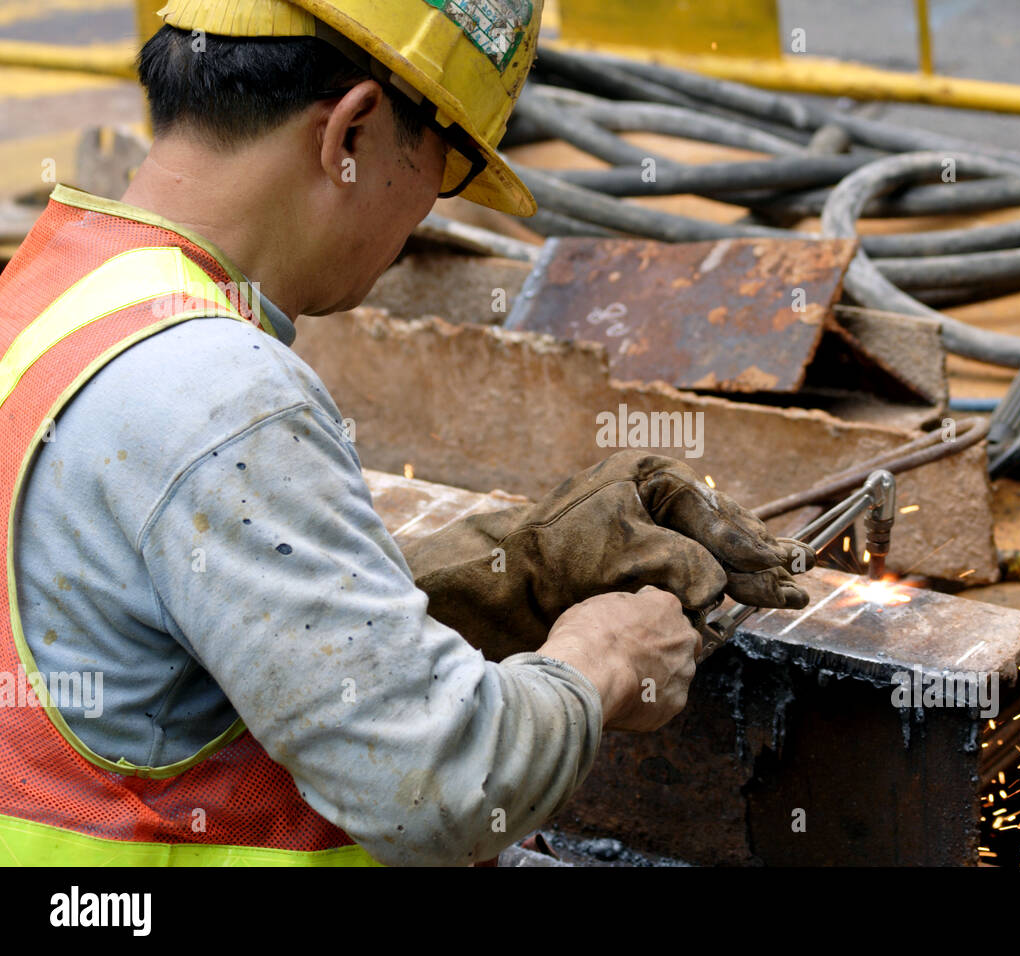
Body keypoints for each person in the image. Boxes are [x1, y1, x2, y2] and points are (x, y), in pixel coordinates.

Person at [0, 0, 808, 866]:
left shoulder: (59, 291)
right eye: (448, 167)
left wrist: (523, 565)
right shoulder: (224, 393)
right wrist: (602, 659)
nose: (425, 210)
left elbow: (164, 623)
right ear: (351, 132)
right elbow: (438, 785)